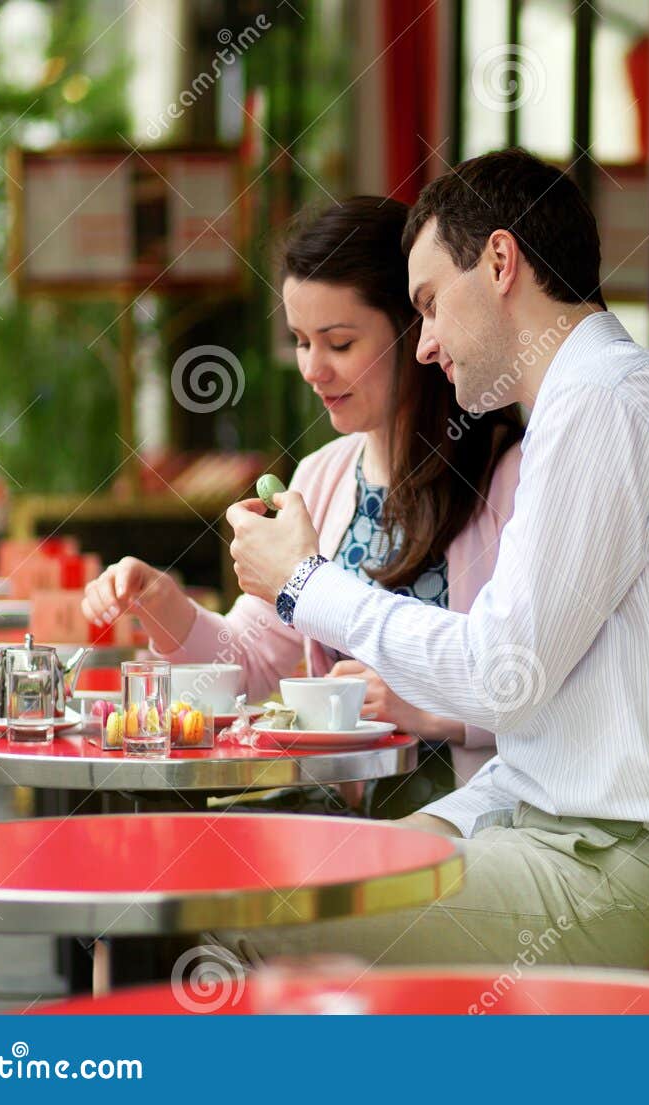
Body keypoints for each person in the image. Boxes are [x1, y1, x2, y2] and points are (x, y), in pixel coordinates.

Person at [223, 148, 649, 969]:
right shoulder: (608, 402)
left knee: (247, 899)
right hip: (574, 841)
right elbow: (541, 735)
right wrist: (427, 829)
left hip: (620, 874)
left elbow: (500, 677)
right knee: (295, 873)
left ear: (501, 261)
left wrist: (305, 583)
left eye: (428, 305)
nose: (425, 345)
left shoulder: (608, 407)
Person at [81, 198, 523, 808]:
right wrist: (164, 606)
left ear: (416, 330)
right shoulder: (322, 477)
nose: (312, 369)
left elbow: (552, 685)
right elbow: (256, 662)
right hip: (341, 809)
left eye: (338, 342)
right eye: (299, 340)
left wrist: (432, 708)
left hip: (471, 814)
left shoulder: (511, 477)